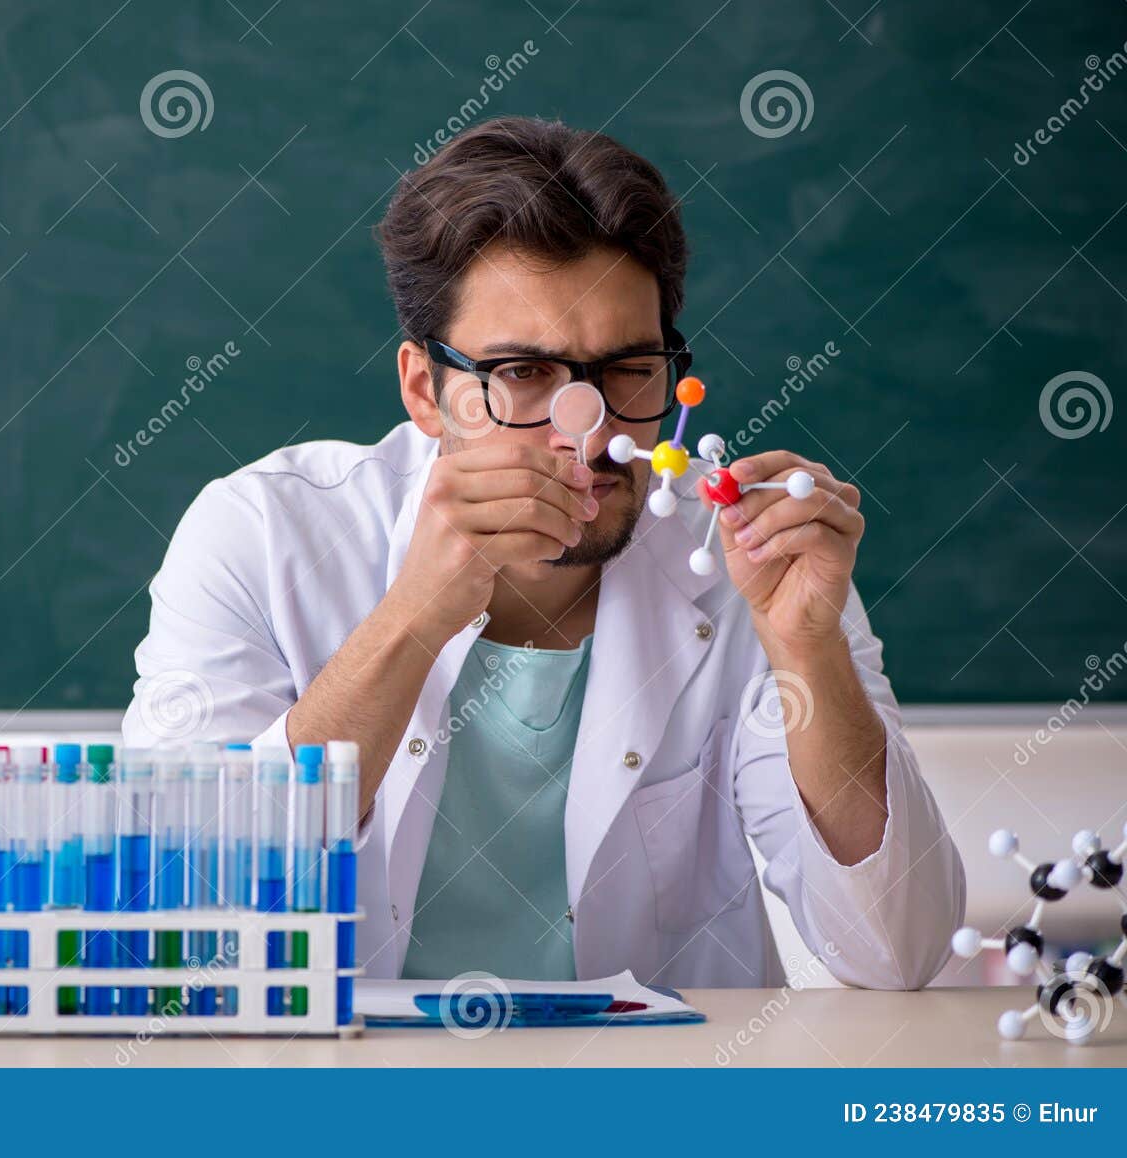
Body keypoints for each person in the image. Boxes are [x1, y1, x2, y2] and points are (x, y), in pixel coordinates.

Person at [122, 116, 965, 990]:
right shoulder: (262, 537)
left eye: (628, 369)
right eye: (524, 374)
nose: (587, 434)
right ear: (424, 390)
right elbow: (177, 933)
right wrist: (413, 619)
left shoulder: (751, 558)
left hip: (666, 1079)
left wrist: (807, 648)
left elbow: (897, 951)